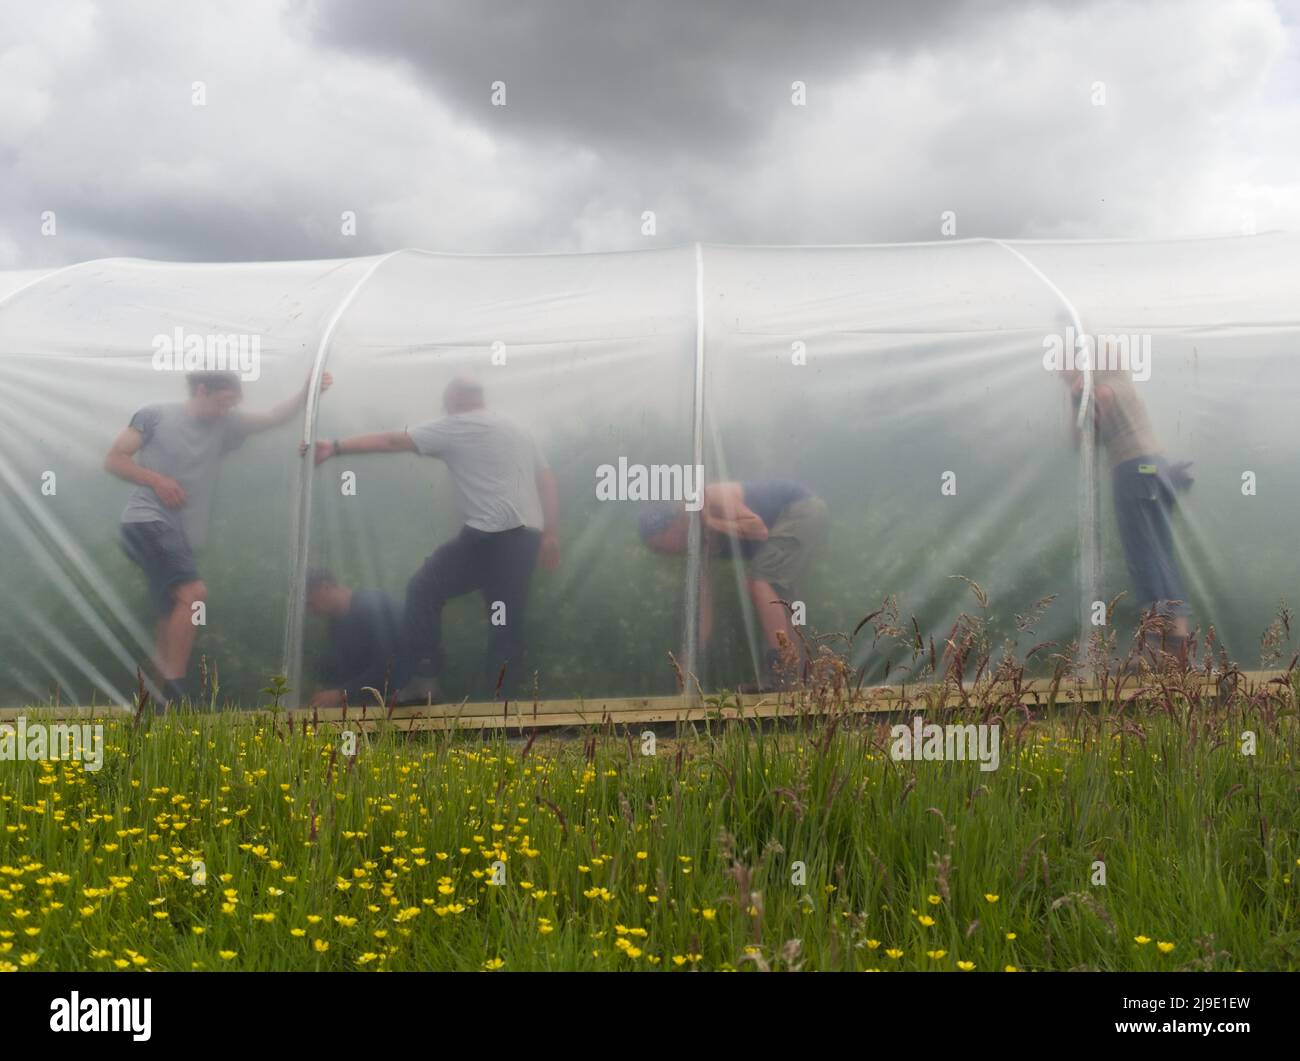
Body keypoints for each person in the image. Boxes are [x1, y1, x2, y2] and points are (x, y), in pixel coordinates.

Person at [311, 377, 560, 704]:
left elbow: (392, 441)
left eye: (446, 404)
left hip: (489, 536)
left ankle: (424, 680)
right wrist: (551, 534)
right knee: (505, 623)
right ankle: (504, 709)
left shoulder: (458, 424)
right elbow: (546, 478)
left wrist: (336, 447)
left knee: (424, 587)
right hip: (525, 539)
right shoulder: (517, 430)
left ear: (455, 400)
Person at [105, 369, 332, 704]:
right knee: (194, 594)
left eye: (232, 405)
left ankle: (151, 704)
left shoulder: (225, 423)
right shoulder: (154, 415)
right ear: (202, 391)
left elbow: (271, 417)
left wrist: (307, 390)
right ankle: (175, 695)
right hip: (146, 521)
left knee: (171, 614)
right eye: (223, 402)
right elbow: (114, 460)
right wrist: (157, 480)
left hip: (177, 533)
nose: (227, 411)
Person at [640, 480, 828, 691]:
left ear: (672, 526)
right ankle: (799, 679)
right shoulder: (698, 545)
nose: (663, 553)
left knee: (759, 582)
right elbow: (705, 603)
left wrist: (710, 521)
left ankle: (783, 671)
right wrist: (688, 656)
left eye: (659, 546)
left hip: (800, 509)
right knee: (781, 597)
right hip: (787, 523)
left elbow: (758, 530)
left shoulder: (709, 500)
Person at [1066, 360, 1193, 658]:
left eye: (1066, 361)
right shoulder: (1116, 386)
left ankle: (1166, 648)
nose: (1060, 369)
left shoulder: (1109, 385)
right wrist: (1077, 400)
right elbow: (1081, 440)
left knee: (1146, 557)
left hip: (1136, 470)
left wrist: (1079, 395)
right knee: (1156, 555)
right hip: (1150, 469)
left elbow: (1096, 411)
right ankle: (1174, 646)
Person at [304, 569, 405, 708]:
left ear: (325, 587)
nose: (310, 611)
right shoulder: (336, 624)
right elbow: (349, 668)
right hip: (374, 707)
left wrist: (340, 694)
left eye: (310, 603)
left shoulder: (374, 606)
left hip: (409, 704)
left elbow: (390, 665)